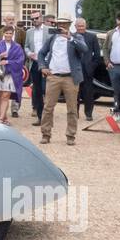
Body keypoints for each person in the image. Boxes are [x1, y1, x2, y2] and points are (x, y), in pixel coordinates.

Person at [38, 18, 90, 146]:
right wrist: (42, 66)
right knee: (48, 107)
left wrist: (70, 38)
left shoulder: (76, 37)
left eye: (64, 24)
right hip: (53, 76)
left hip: (71, 78)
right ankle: (46, 134)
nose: (61, 26)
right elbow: (41, 53)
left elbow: (84, 49)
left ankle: (70, 135)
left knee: (72, 108)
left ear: (69, 25)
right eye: (59, 24)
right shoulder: (52, 38)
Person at [0, 25, 25, 124]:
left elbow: (20, 61)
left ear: (13, 34)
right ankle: (4, 118)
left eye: (10, 33)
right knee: (1, 96)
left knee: (5, 96)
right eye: (6, 33)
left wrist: (8, 62)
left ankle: (0, 119)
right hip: (0, 74)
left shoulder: (17, 47)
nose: (8, 35)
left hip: (11, 75)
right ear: (3, 34)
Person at [24, 11, 51, 126]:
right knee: (37, 90)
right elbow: (25, 46)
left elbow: (53, 46)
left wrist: (46, 58)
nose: (34, 21)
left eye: (36, 18)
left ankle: (48, 117)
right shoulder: (29, 32)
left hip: (47, 63)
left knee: (48, 90)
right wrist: (29, 53)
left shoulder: (49, 30)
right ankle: (40, 117)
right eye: (32, 19)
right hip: (34, 63)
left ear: (41, 18)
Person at [74, 18, 102, 121]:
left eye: (82, 26)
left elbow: (97, 55)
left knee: (88, 94)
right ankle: (74, 113)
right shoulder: (71, 37)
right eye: (79, 26)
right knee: (74, 93)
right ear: (75, 26)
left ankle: (88, 114)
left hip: (87, 71)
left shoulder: (92, 37)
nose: (81, 28)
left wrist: (92, 66)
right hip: (75, 70)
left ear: (85, 26)